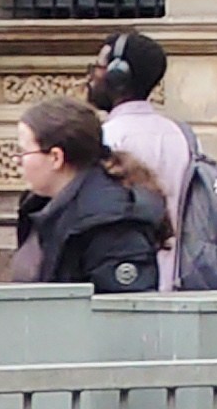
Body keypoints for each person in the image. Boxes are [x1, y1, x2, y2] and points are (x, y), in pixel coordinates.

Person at [13, 100, 165, 292]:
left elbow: (124, 311)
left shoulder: (112, 222)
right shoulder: (38, 207)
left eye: (23, 152)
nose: (17, 161)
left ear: (55, 158)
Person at [88, 29, 194, 286]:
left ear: (117, 75)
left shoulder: (106, 138)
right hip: (180, 282)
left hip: (127, 281)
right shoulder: (183, 135)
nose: (90, 75)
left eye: (98, 67)